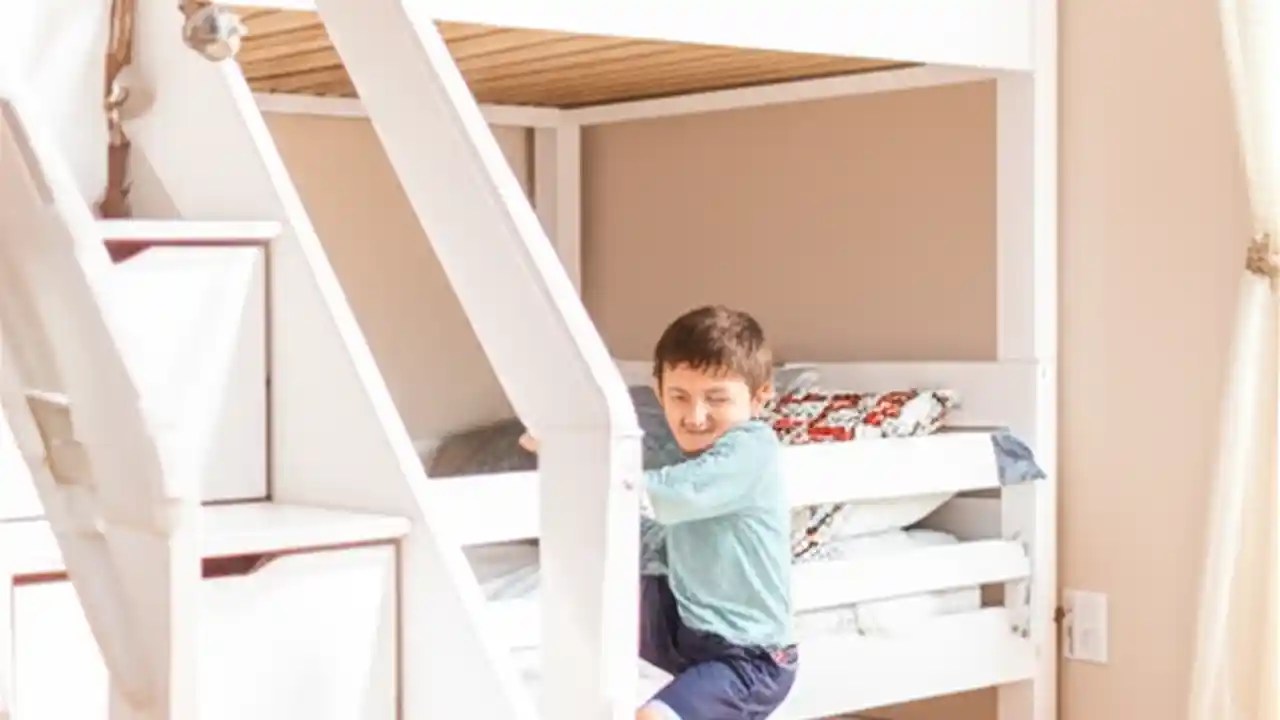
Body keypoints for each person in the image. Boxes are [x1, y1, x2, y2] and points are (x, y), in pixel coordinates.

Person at [523, 305, 797, 720]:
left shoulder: (750, 450)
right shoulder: (679, 453)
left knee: (653, 717)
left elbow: (671, 495)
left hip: (748, 657)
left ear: (760, 398)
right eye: (679, 397)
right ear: (658, 391)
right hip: (682, 633)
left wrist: (577, 458)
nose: (695, 415)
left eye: (716, 399)